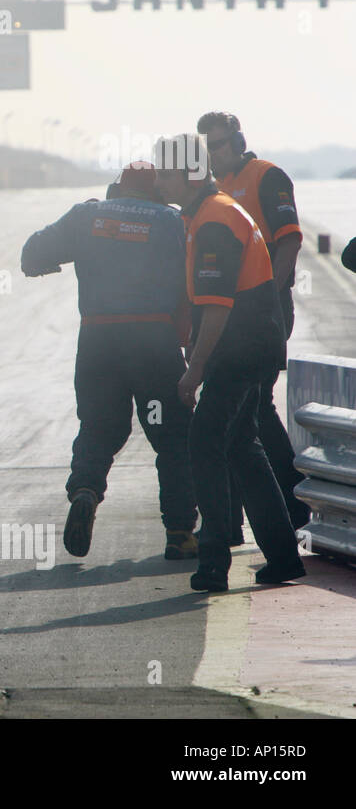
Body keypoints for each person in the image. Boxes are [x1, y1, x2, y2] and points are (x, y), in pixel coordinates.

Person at [21, 161, 198, 560]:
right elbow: (197, 282)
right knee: (171, 437)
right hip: (153, 340)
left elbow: (32, 253)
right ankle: (180, 533)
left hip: (99, 338)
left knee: (99, 427)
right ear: (156, 191)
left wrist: (45, 265)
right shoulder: (173, 220)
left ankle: (85, 489)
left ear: (116, 189)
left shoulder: (87, 214)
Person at [152, 134, 305, 592]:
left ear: (190, 174)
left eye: (165, 174)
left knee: (205, 444)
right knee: (243, 447)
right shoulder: (206, 212)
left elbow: (217, 304)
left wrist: (195, 367)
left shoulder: (215, 220)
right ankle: (282, 557)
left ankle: (214, 564)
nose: (160, 182)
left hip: (238, 350)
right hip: (251, 345)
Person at [197, 111, 310, 531]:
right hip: (231, 314)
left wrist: (270, 299)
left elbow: (290, 239)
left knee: (255, 409)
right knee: (239, 411)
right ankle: (233, 518)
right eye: (205, 147)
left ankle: (292, 507)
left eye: (218, 145)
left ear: (239, 142)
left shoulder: (266, 176)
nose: (211, 154)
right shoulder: (215, 188)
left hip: (264, 312)